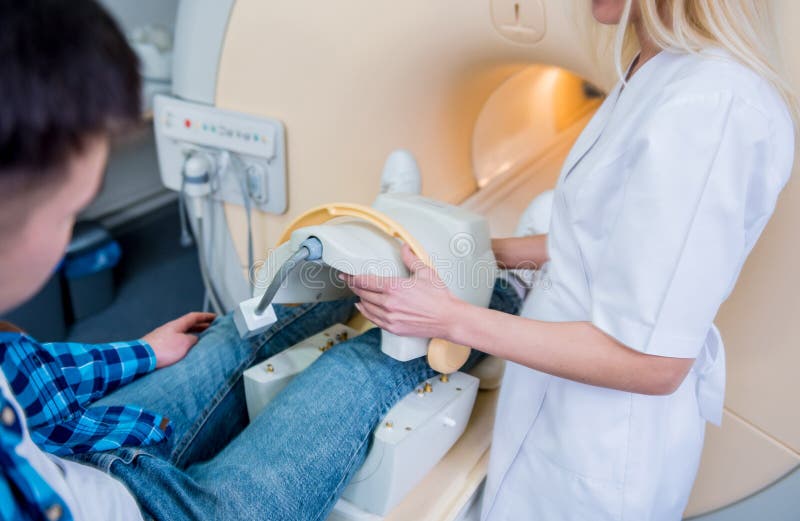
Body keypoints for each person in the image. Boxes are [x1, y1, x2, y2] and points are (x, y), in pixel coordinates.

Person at [0, 1, 522, 520]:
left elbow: (23, 370)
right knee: (353, 370)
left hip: (75, 441)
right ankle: (501, 290)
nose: (72, 225)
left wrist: (142, 352)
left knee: (239, 330)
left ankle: (372, 257)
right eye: (70, 212)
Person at [345, 0, 796, 519]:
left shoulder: (712, 108)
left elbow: (654, 363)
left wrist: (450, 319)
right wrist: (471, 250)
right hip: (555, 396)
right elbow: (605, 240)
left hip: (604, 444)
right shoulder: (656, 65)